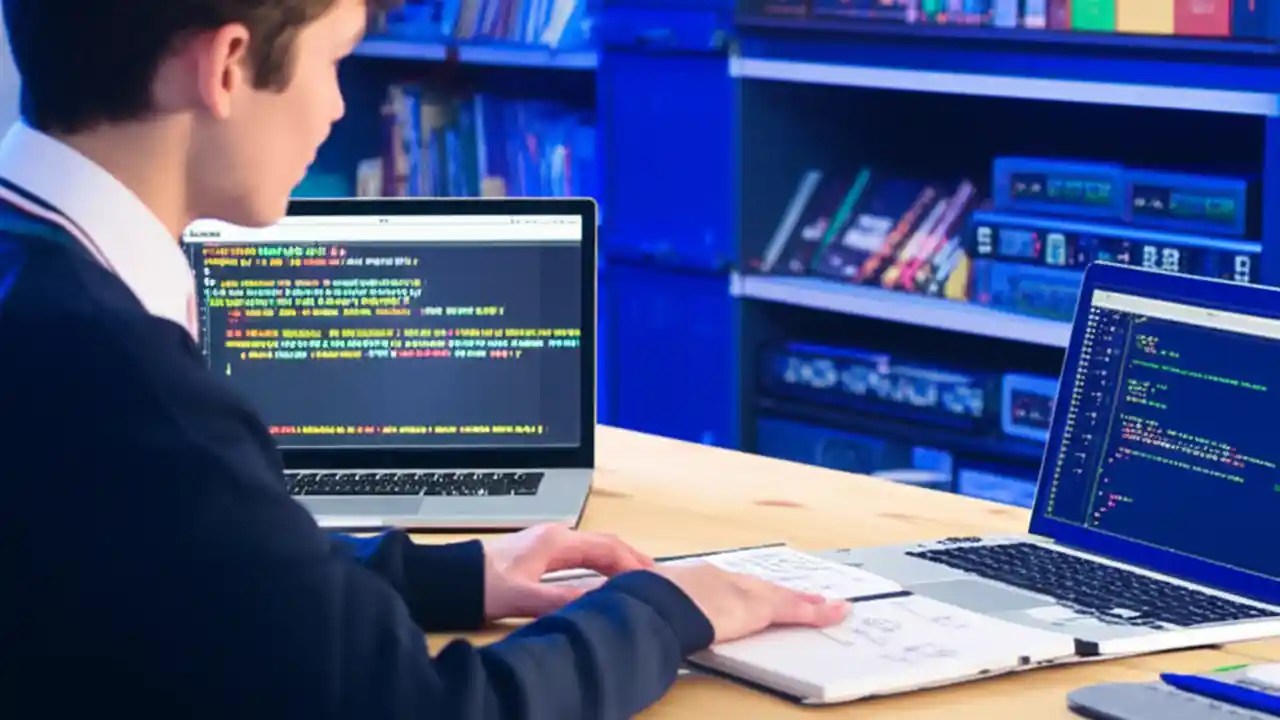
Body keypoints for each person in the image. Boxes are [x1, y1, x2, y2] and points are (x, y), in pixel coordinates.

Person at [0, 0, 849, 716]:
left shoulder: (40, 288)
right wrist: (667, 609)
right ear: (227, 67)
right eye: (335, 61)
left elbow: (197, 561)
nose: (337, 107)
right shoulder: (131, 386)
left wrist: (456, 574)